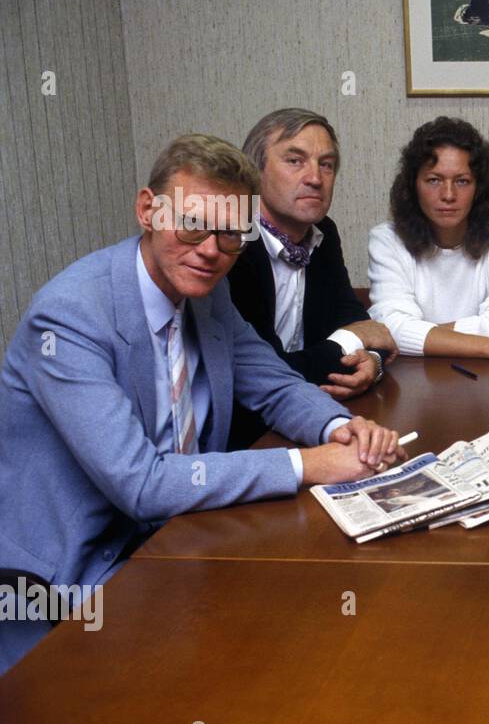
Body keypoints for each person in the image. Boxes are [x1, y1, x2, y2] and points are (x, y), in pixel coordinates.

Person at [0, 135, 405, 673]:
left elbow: (275, 385)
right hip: (67, 583)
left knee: (321, 638)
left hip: (178, 543)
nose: (211, 249)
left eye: (231, 233)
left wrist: (338, 428)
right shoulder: (71, 317)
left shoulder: (208, 293)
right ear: (148, 209)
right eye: (193, 223)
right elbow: (140, 484)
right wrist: (306, 464)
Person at [227, 108, 396, 448]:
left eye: (327, 164)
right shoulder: (232, 241)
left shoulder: (322, 232)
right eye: (295, 161)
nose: (315, 178)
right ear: (255, 172)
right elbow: (264, 372)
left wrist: (372, 364)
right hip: (242, 436)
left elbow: (352, 318)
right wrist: (348, 345)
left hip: (305, 417)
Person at [368, 117, 489, 364]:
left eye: (462, 181)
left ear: (479, 188)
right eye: (434, 180)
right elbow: (389, 330)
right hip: (413, 381)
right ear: (413, 186)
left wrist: (416, 334)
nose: (448, 195)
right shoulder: (387, 239)